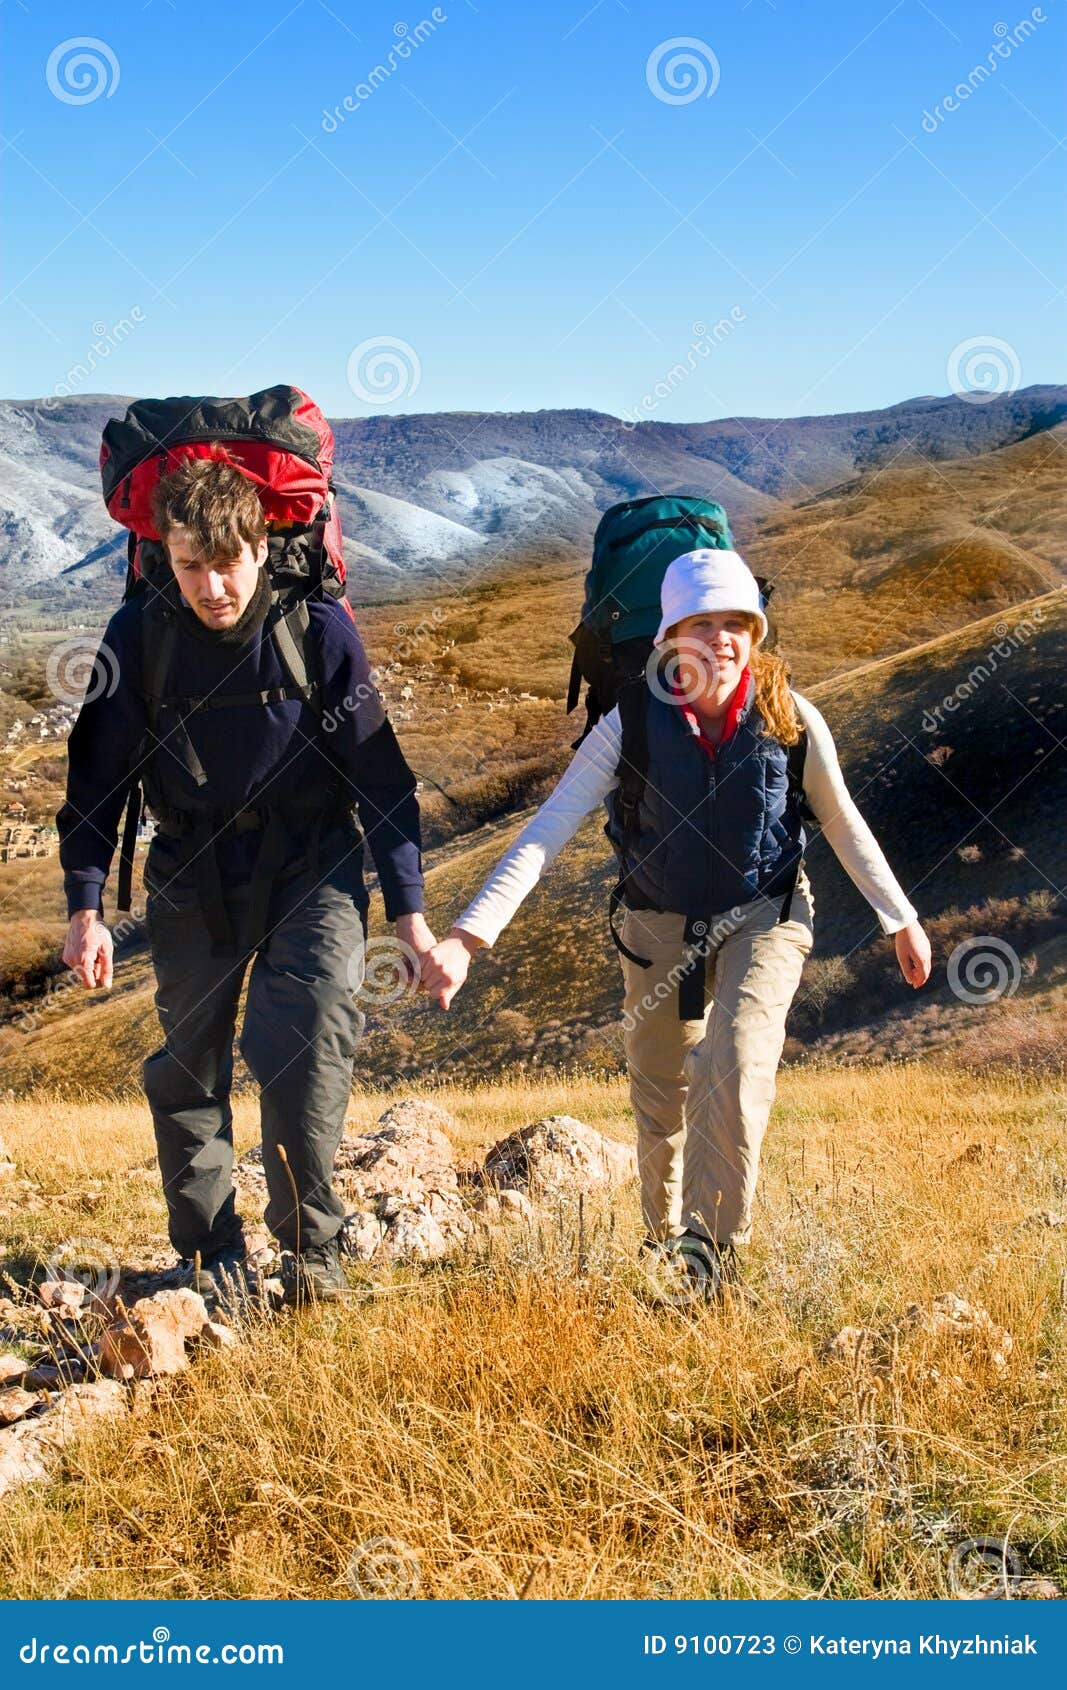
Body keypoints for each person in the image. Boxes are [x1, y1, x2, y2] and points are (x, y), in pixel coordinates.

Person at [420, 549, 932, 1300]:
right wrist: (466, 936)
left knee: (734, 1058)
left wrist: (900, 918)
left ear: (755, 633)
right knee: (662, 1098)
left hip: (767, 912)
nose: (721, 640)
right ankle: (663, 1244)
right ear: (669, 638)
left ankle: (711, 1254)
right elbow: (546, 830)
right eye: (702, 624)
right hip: (657, 922)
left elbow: (842, 822)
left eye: (736, 623)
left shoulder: (789, 713)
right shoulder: (628, 722)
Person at [57, 458, 435, 1306]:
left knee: (305, 1041)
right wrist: (85, 908)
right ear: (165, 557)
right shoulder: (138, 635)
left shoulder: (319, 628)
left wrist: (410, 915)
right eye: (190, 565)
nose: (212, 587)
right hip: (191, 870)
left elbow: (382, 780)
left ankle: (312, 1255)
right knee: (189, 1068)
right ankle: (209, 1259)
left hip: (313, 864)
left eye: (228, 563)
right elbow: (96, 781)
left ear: (263, 548)